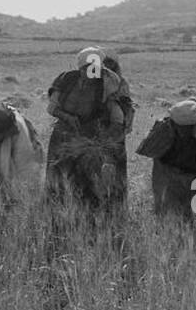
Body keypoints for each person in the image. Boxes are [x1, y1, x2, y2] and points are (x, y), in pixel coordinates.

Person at [45, 46, 134, 213]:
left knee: (89, 182)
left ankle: (94, 214)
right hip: (63, 135)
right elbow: (51, 108)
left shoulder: (109, 82)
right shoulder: (66, 79)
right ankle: (56, 212)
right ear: (80, 67)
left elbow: (117, 116)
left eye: (96, 68)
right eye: (88, 68)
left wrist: (106, 140)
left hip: (91, 137)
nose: (92, 72)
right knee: (57, 177)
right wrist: (68, 117)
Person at [135, 98, 196, 220]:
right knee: (171, 215)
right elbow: (156, 159)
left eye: (187, 127)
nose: (183, 130)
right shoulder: (164, 130)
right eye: (180, 127)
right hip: (171, 180)